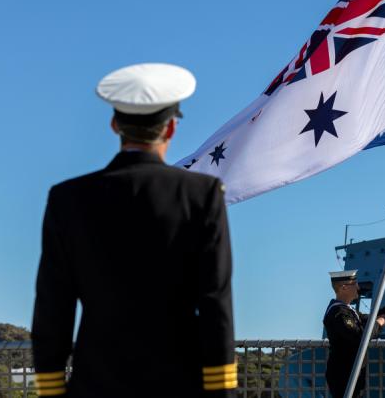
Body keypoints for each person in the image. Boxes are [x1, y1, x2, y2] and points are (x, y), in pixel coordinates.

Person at [31, 63, 235, 398]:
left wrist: (52, 391)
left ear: (115, 125)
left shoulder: (67, 199)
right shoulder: (202, 195)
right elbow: (216, 305)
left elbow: (53, 307)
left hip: (94, 387)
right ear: (170, 129)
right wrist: (220, 391)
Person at [323, 270, 385, 398]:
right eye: (354, 283)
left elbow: (371, 318)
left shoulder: (348, 311)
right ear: (344, 287)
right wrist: (379, 323)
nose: (358, 287)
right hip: (343, 376)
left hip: (351, 373)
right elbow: (361, 337)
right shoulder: (338, 313)